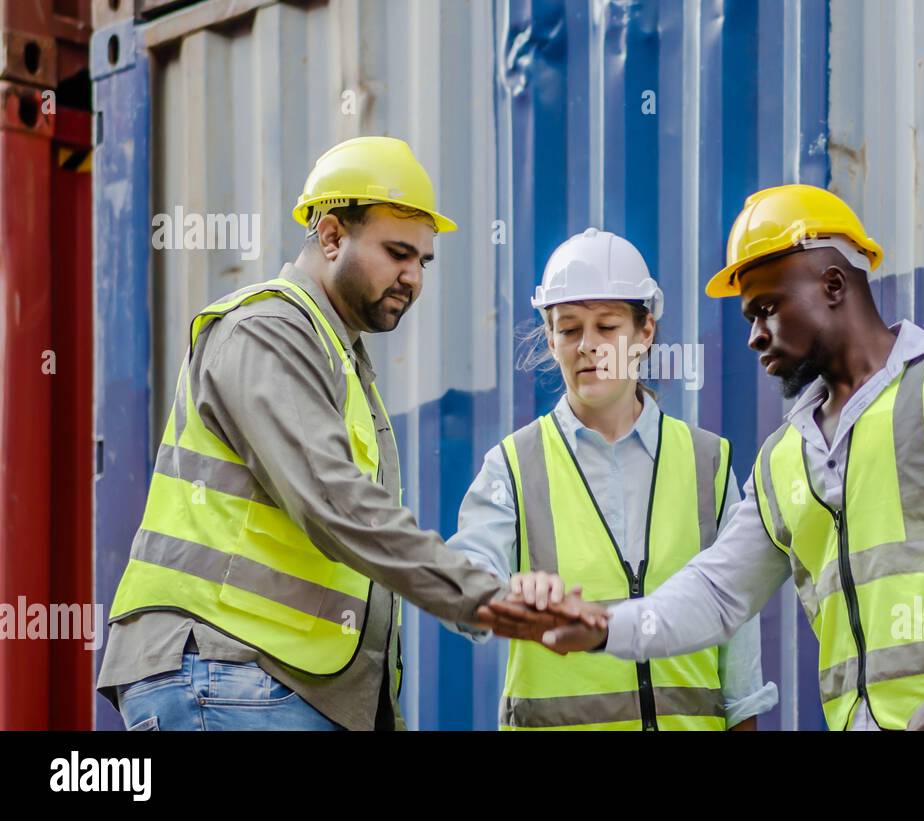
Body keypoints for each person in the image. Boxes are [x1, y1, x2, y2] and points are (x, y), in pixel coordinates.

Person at [493, 185, 924, 731]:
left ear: (834, 284)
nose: (754, 335)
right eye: (748, 318)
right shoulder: (785, 457)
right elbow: (716, 595)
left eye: (767, 308)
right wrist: (600, 629)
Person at [97, 136, 577, 731]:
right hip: (226, 673)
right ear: (330, 236)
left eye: (422, 261)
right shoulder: (266, 331)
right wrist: (482, 596)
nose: (413, 278)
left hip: (273, 682)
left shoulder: (340, 360)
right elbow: (335, 504)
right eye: (397, 252)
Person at [449, 228, 777, 730]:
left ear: (645, 331)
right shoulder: (513, 465)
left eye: (607, 326)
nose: (588, 346)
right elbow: (464, 581)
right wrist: (508, 592)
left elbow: (739, 636)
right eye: (569, 329)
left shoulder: (707, 461)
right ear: (550, 339)